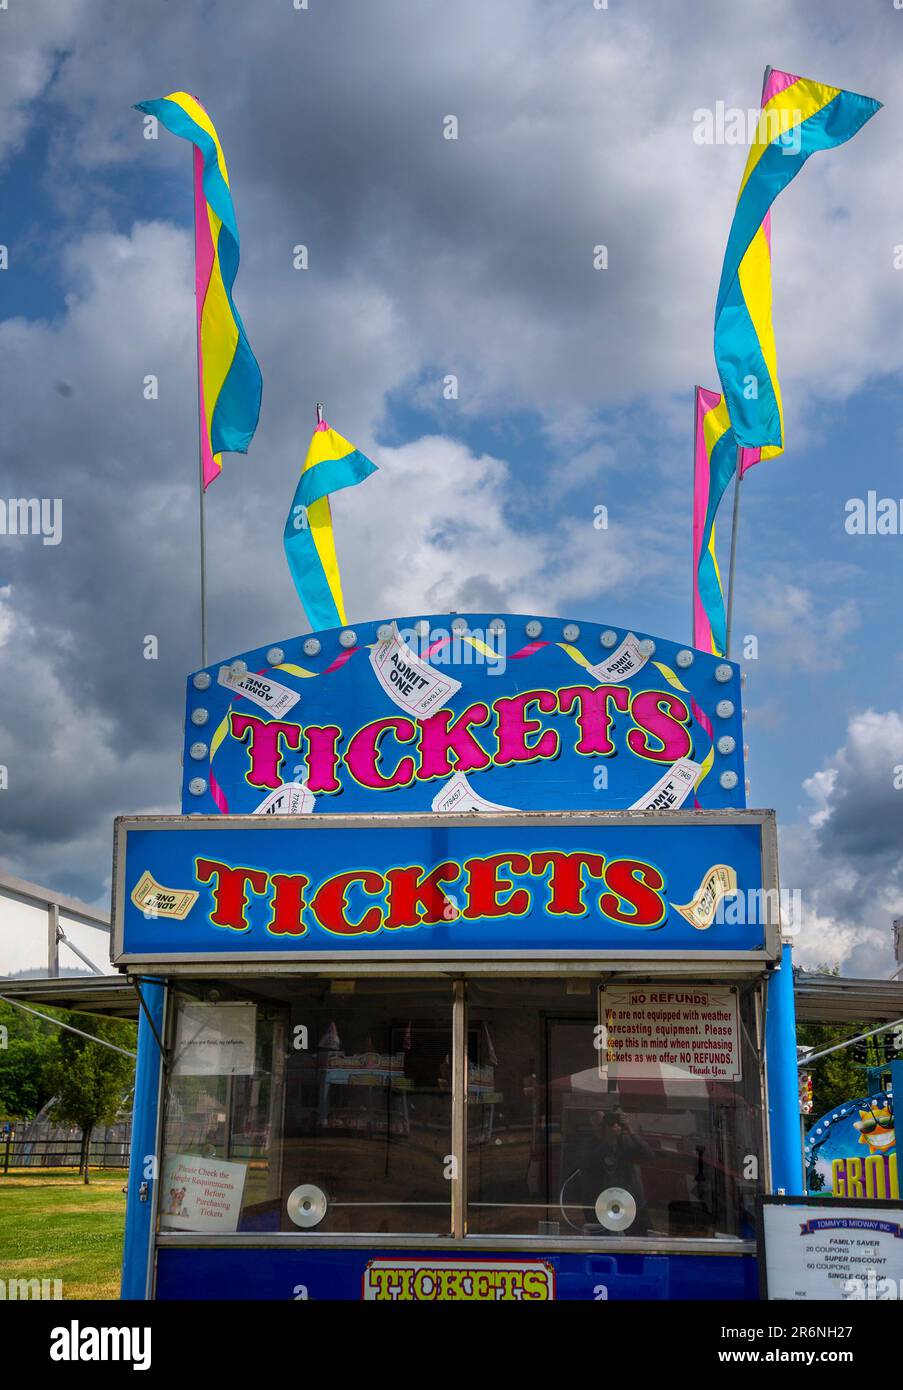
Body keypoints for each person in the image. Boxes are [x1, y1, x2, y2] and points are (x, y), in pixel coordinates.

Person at [574, 1107, 653, 1234]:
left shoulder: (625, 1141)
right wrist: (608, 1143)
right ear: (593, 1127)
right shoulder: (589, 1145)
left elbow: (649, 1155)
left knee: (639, 1242)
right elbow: (587, 1164)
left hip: (631, 1203)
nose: (605, 1128)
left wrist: (630, 1130)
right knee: (603, 1244)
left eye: (607, 1124)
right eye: (600, 1126)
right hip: (603, 1205)